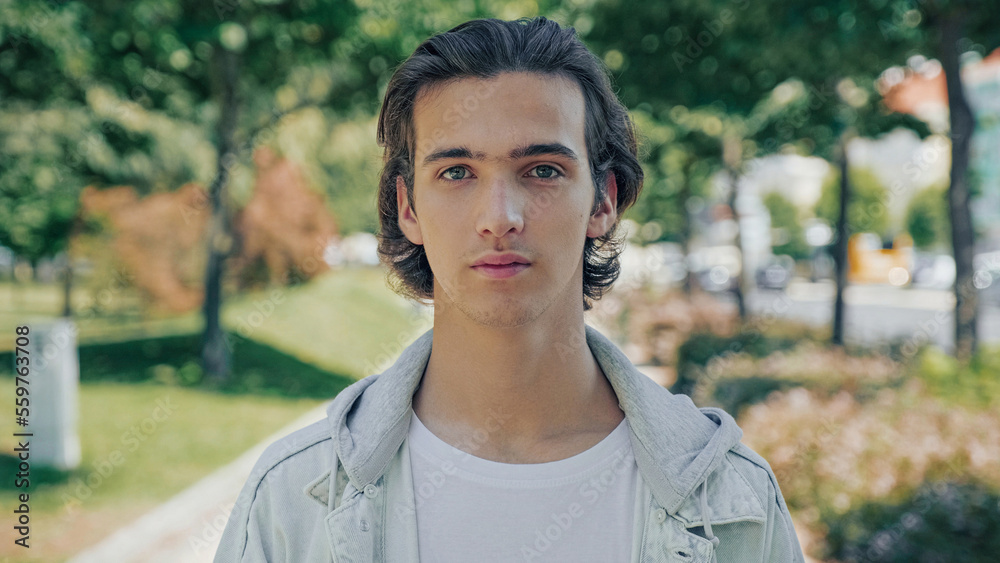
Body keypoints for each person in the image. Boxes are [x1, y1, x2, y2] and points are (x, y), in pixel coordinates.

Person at [215, 16, 805, 563]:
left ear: (604, 200)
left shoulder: (735, 503)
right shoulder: (294, 498)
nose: (499, 217)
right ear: (408, 208)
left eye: (543, 169)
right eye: (456, 173)